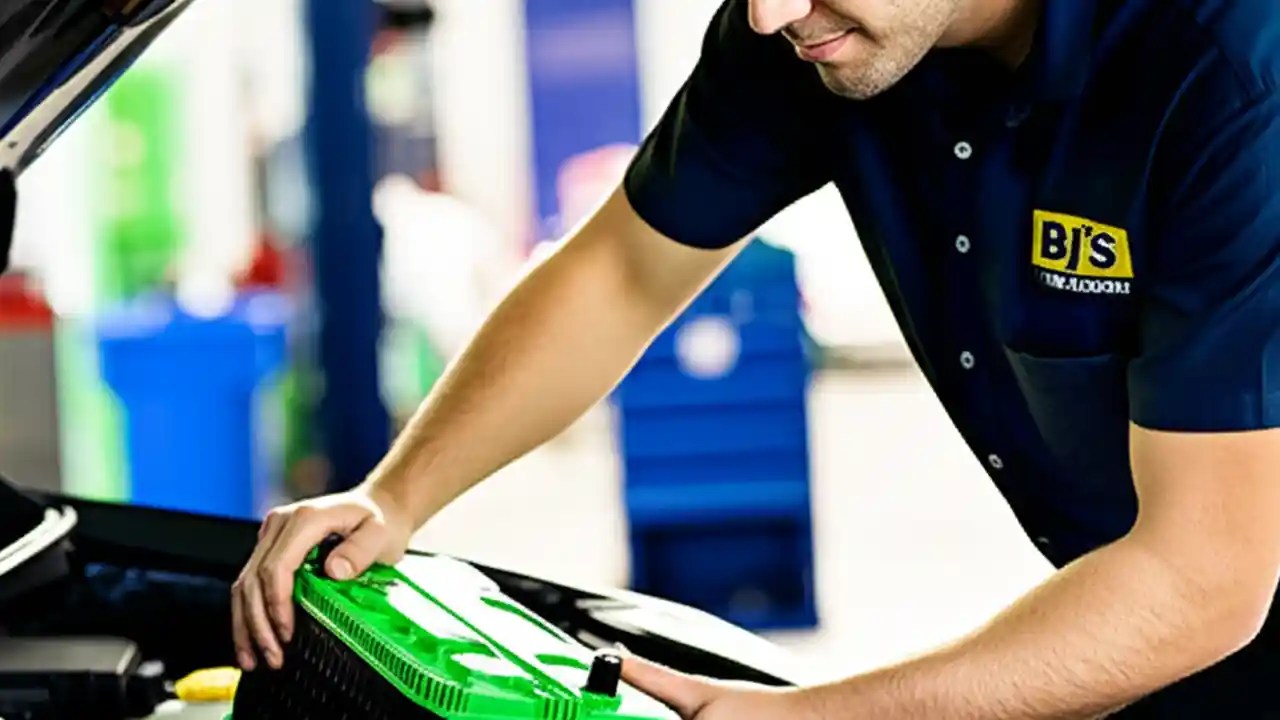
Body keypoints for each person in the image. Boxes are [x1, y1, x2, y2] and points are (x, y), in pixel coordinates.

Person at [232, 0, 1280, 716]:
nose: (769, 14)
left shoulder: (1230, 75)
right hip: (1150, 638)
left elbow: (1202, 578)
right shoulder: (810, 30)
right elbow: (624, 273)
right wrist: (396, 496)